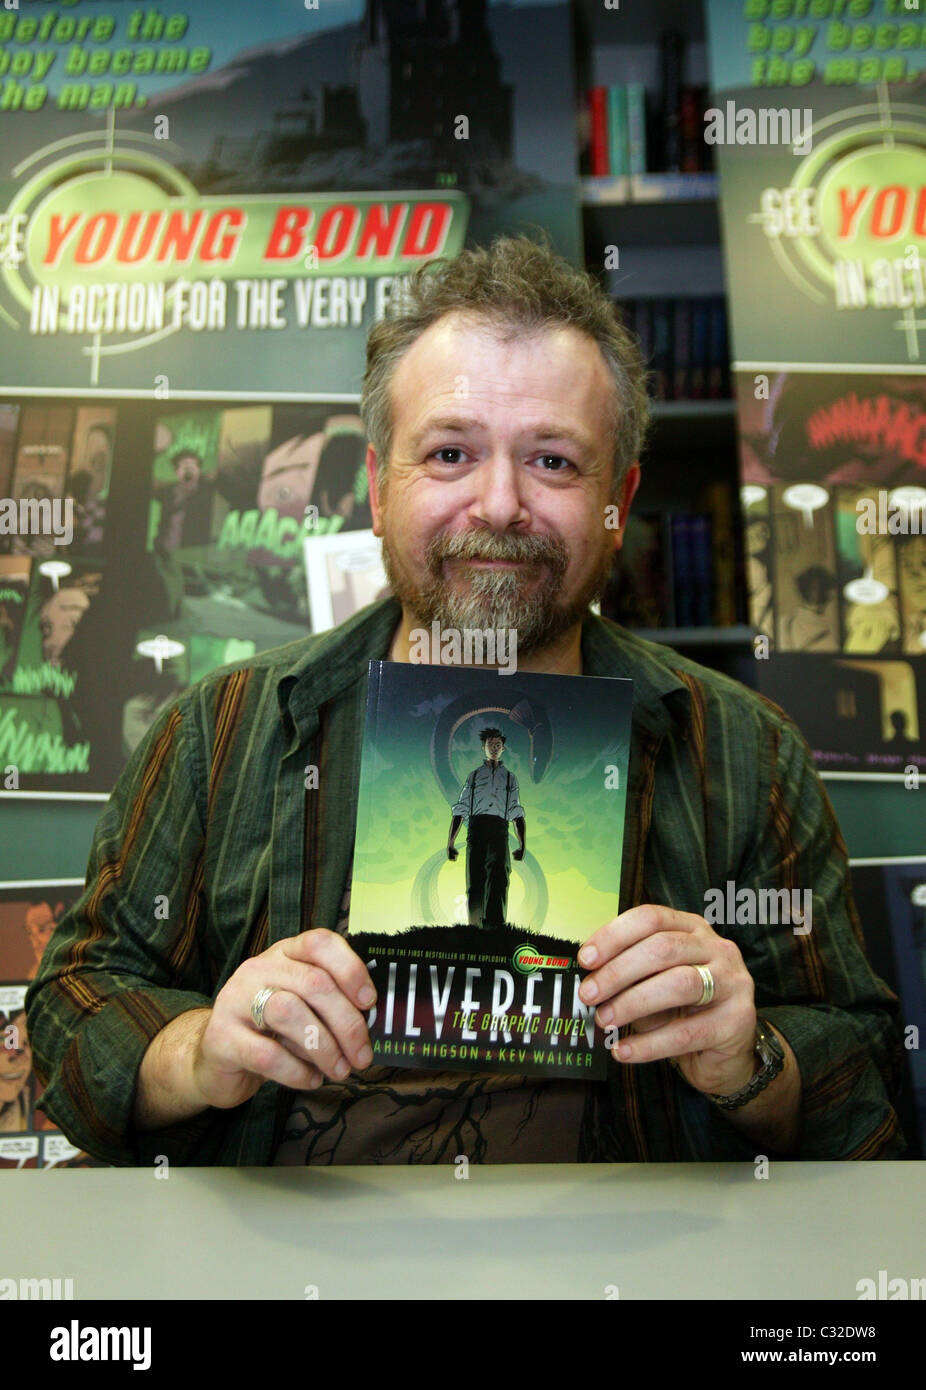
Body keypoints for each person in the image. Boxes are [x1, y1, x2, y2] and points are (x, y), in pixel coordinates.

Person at [26, 233, 906, 1165]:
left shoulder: (743, 749)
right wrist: (198, 1050)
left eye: (555, 463)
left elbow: (866, 1088)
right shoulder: (220, 731)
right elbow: (73, 1011)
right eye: (449, 453)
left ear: (622, 500)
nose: (498, 505)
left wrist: (751, 1057)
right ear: (376, 488)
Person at [447, 727, 526, 928]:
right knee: (475, 880)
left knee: (499, 877)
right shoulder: (473, 776)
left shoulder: (510, 777)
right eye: (490, 745)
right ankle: (474, 927)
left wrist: (522, 844)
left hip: (499, 830)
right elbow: (461, 808)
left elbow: (516, 811)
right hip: (476, 828)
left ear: (503, 748)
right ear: (484, 747)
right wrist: (450, 842)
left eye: (498, 745)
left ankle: (494, 927)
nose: (494, 748)